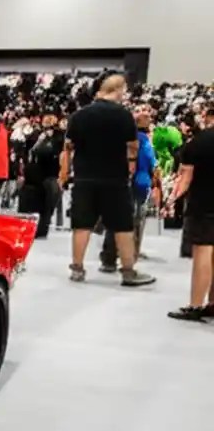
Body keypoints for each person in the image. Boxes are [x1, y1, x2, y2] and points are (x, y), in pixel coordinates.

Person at [61, 74, 155, 286]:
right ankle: (129, 272)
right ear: (119, 89)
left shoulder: (79, 115)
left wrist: (67, 171)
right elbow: (133, 146)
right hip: (115, 178)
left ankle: (77, 268)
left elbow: (68, 146)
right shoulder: (124, 116)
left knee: (82, 225)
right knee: (123, 226)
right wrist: (131, 164)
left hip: (85, 177)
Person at [164, 105, 214, 320]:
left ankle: (195, 305)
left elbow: (185, 179)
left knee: (203, 253)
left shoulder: (199, 142)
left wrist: (172, 199)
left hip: (204, 205)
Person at [101, 106, 158, 269]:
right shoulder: (143, 139)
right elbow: (149, 160)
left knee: (115, 219)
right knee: (136, 219)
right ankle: (132, 254)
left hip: (116, 180)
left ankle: (109, 256)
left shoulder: (117, 138)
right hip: (139, 182)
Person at [17, 110, 64, 238]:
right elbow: (30, 151)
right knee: (40, 204)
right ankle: (35, 228)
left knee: (47, 205)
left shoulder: (58, 139)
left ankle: (43, 229)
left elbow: (46, 153)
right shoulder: (38, 136)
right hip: (38, 176)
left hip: (50, 175)